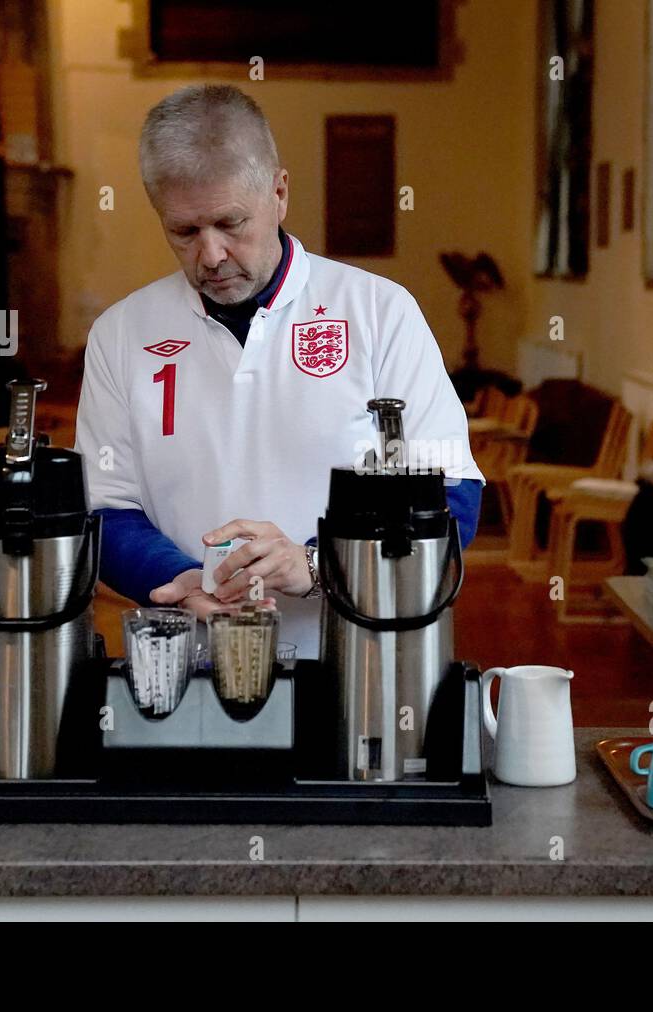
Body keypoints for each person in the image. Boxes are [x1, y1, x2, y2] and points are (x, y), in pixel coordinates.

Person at [74, 85, 483, 657]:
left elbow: (450, 499)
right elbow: (103, 508)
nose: (211, 255)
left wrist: (315, 564)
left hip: (358, 665)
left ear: (280, 192)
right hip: (194, 663)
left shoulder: (378, 312)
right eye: (185, 232)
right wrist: (182, 577)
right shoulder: (122, 334)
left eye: (230, 223)